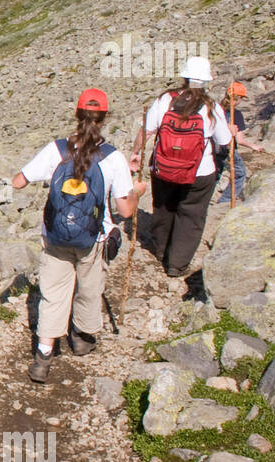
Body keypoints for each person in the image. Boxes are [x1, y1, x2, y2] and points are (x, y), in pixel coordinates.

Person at [13, 88, 144, 383]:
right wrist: (136, 190)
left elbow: (18, 181)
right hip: (93, 239)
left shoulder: (57, 150)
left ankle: (44, 356)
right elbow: (124, 209)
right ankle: (82, 338)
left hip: (56, 236)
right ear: (105, 118)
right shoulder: (113, 158)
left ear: (76, 114)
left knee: (53, 294)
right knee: (88, 287)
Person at [128, 56, 231, 277]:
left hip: (163, 167)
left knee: (164, 207)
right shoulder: (212, 107)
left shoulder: (166, 99)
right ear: (205, 81)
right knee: (192, 214)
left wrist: (135, 153)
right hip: (199, 171)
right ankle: (177, 264)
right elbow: (224, 141)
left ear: (184, 77)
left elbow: (146, 130)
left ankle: (160, 250)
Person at [215, 81, 263, 203]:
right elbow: (239, 140)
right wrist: (253, 146)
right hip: (227, 148)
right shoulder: (236, 114)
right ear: (239, 98)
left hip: (211, 147)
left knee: (214, 174)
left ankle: (201, 198)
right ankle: (225, 201)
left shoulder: (215, 108)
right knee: (240, 174)